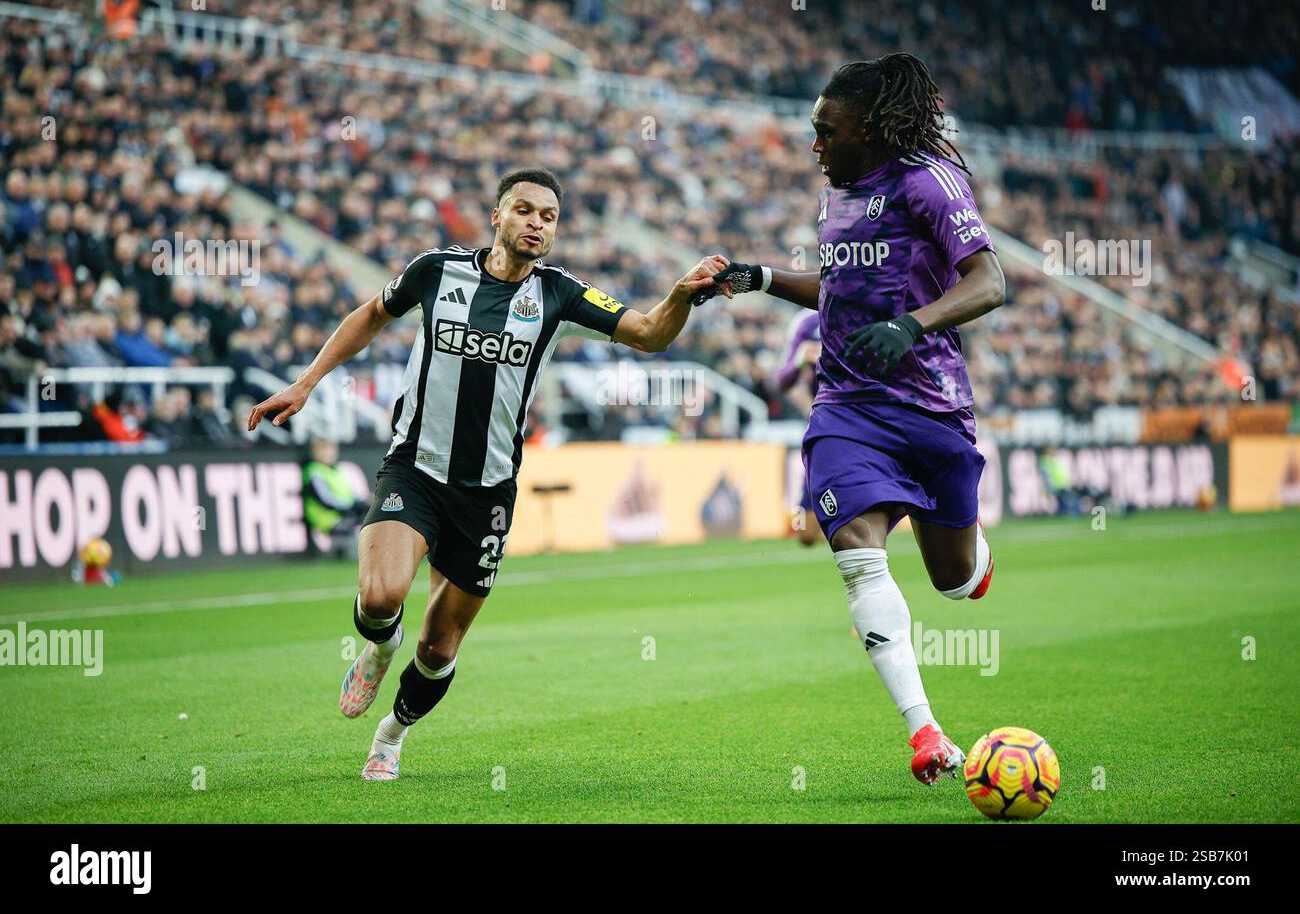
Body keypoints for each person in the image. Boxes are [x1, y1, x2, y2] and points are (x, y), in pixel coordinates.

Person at [248, 167, 727, 780]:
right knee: (380, 597)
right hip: (414, 468)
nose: (536, 223)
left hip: (488, 491)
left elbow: (650, 334)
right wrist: (307, 381)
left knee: (439, 647)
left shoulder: (559, 292)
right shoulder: (435, 270)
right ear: (496, 216)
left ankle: (391, 734)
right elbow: (372, 313)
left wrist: (682, 296)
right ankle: (378, 645)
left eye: (548, 216)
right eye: (524, 210)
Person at [697, 53, 1006, 785]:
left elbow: (990, 281)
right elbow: (839, 291)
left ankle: (971, 551)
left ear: (868, 129)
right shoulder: (834, 196)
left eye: (825, 131)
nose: (815, 146)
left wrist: (913, 325)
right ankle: (925, 732)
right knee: (857, 555)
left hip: (931, 410)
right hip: (846, 407)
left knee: (956, 583)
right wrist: (763, 278)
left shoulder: (928, 182)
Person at [774, 309, 822, 545]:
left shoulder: (868, 304)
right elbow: (782, 379)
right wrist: (800, 359)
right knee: (807, 536)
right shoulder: (807, 321)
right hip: (826, 418)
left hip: (869, 414)